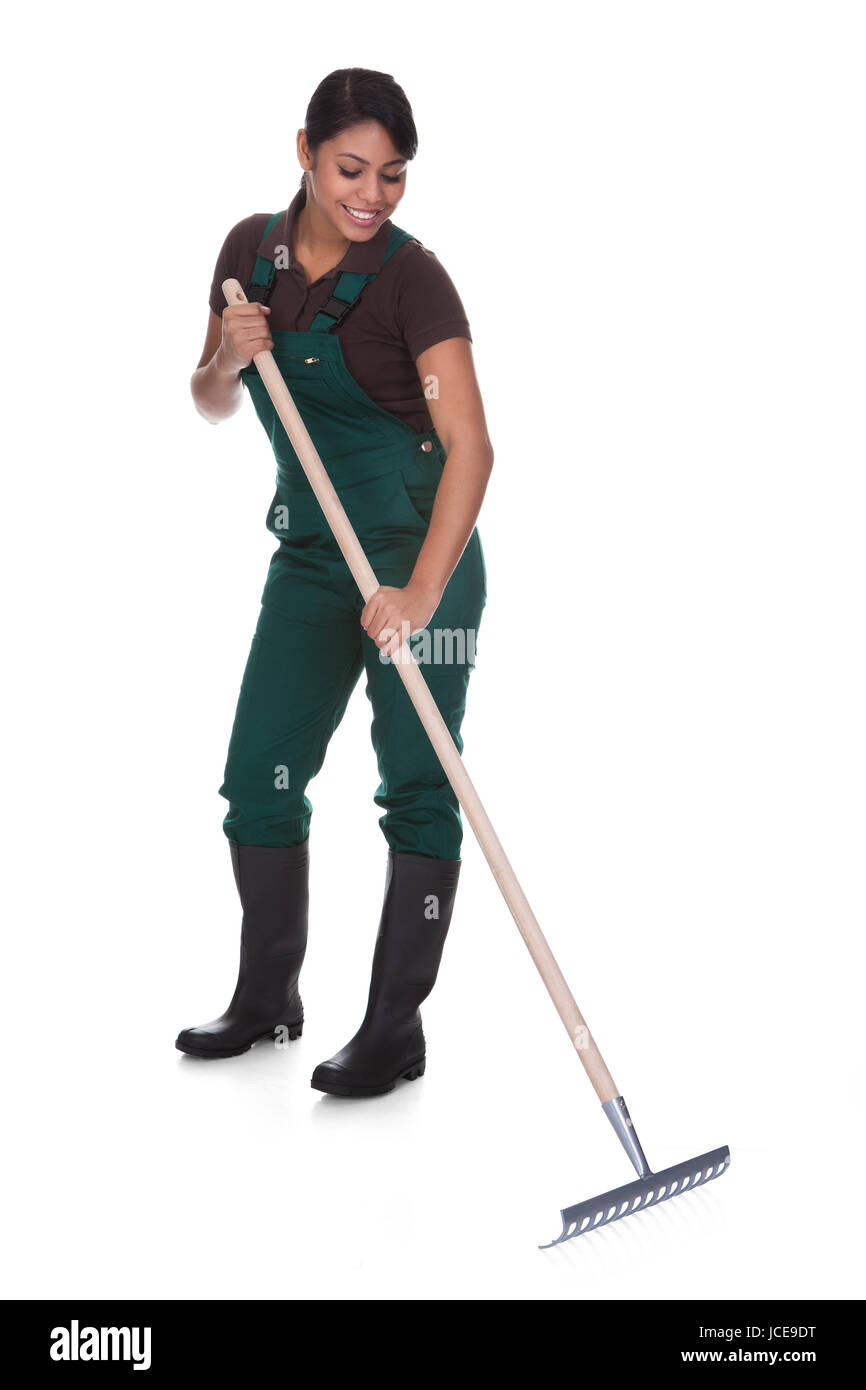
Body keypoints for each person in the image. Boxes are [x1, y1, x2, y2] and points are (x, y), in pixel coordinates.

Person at [175, 68, 493, 1097]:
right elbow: (210, 400)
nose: (372, 194)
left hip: (423, 561)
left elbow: (470, 448)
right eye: (351, 168)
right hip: (313, 558)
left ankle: (393, 1030)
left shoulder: (414, 281)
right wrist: (226, 354)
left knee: (418, 787)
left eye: (393, 175)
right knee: (259, 775)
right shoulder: (246, 255)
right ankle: (267, 998)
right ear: (303, 148)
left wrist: (423, 595)